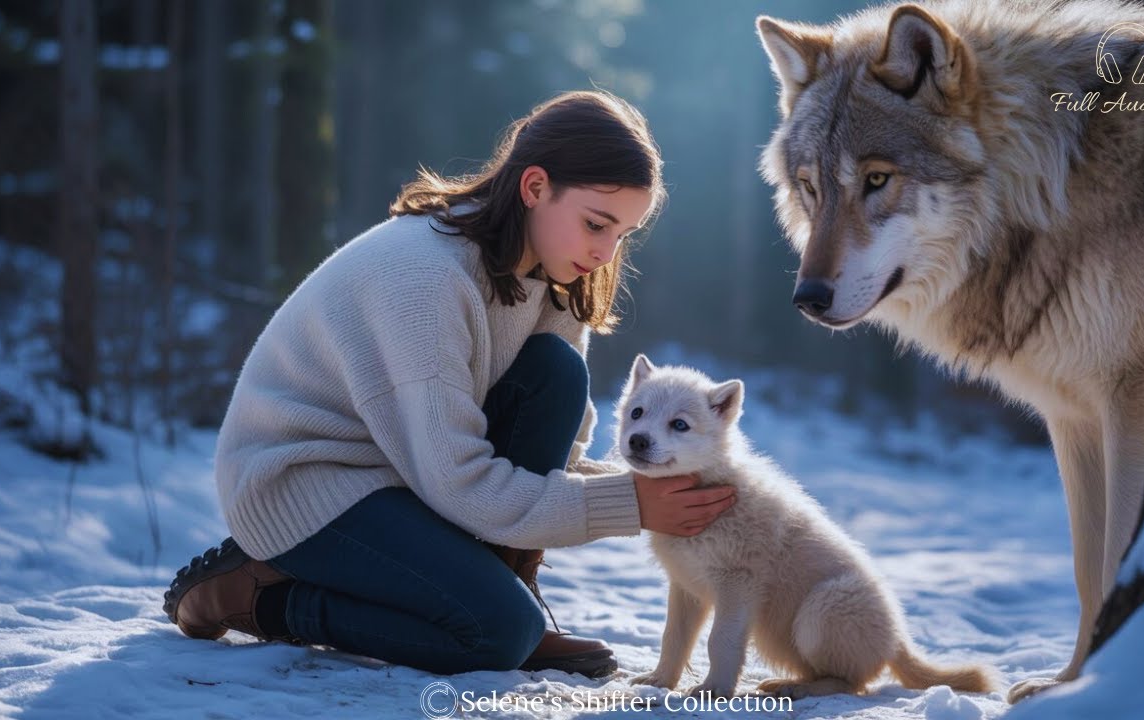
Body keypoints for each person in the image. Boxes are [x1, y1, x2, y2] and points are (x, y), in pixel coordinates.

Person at [162, 90, 738, 678]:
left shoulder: (553, 276)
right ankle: (258, 594)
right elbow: (459, 479)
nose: (605, 251)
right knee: (495, 635)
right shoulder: (424, 277)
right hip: (310, 483)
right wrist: (629, 503)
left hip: (410, 473)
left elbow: (550, 464)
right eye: (596, 223)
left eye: (623, 235)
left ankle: (499, 593)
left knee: (557, 370)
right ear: (535, 188)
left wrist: (661, 485)